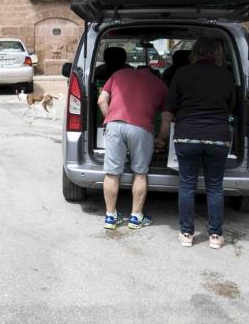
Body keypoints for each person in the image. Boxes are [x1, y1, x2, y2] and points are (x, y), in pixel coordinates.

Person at [161, 37, 236, 249]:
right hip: (218, 136)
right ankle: (215, 236)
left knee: (186, 184)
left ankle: (186, 233)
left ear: (195, 52)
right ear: (218, 53)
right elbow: (232, 106)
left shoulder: (182, 73)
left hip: (187, 135)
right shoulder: (226, 75)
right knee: (214, 186)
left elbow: (170, 105)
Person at [98, 64, 170, 230]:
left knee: (112, 173)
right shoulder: (159, 84)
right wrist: (160, 139)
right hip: (141, 128)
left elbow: (101, 100)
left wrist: (111, 119)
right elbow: (166, 119)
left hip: (114, 125)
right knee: (140, 173)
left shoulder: (118, 74)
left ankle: (110, 217)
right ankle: (136, 218)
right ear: (153, 72)